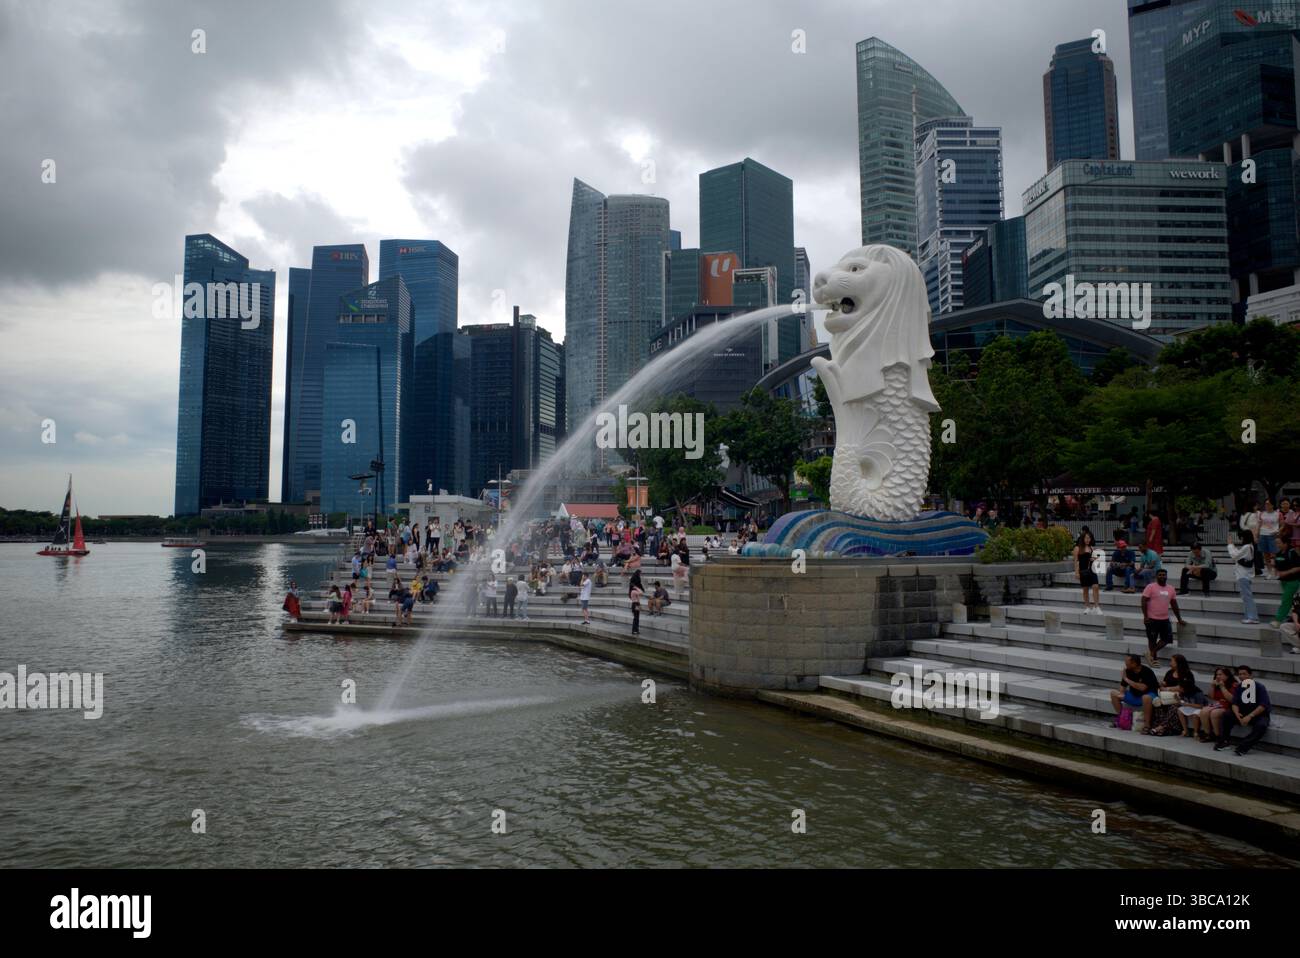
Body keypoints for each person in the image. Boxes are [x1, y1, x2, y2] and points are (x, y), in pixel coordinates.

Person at [1215, 665, 1271, 756]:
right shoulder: (1239, 687)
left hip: (1258, 714)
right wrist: (1237, 715)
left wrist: (1249, 716)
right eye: (1240, 674)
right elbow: (1234, 703)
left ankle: (1243, 747)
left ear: (1251, 675)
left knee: (1262, 725)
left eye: (1244, 674)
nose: (1242, 676)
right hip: (1243, 713)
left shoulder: (1259, 687)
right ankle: (1224, 741)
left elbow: (1263, 706)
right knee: (1226, 715)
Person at [1151, 654, 1204, 737]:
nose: (1170, 663)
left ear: (1178, 663)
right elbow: (1165, 682)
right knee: (1157, 703)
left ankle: (1162, 726)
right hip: (1168, 696)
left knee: (1175, 706)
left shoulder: (1186, 674)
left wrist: (1168, 689)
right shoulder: (1170, 672)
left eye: (1172, 661)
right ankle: (1163, 727)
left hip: (1184, 697)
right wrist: (1161, 684)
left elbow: (1182, 688)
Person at [1141, 569, 1184, 665]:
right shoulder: (1150, 587)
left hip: (1165, 619)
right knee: (1152, 640)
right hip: (1152, 619)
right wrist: (1145, 616)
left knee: (1167, 639)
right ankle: (1154, 660)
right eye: (1160, 575)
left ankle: (1150, 654)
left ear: (1166, 576)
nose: (1162, 576)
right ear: (1156, 576)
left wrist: (1179, 618)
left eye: (1164, 575)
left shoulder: (1171, 588)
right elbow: (1143, 601)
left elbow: (1174, 605)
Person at [1109, 654, 1160, 732]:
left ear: (1134, 663)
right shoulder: (1128, 670)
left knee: (1145, 697)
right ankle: (1121, 719)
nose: (1125, 663)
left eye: (1127, 662)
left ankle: (1147, 725)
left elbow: (1142, 688)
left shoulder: (1147, 671)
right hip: (1134, 695)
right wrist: (1121, 693)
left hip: (1149, 694)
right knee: (1113, 693)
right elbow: (1123, 686)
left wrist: (1126, 679)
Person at [1271, 523, 1300, 636]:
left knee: (1286, 600)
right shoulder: (1278, 553)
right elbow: (1278, 567)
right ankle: (1293, 617)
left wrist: (1285, 572)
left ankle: (1278, 620)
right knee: (1289, 600)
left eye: (1279, 543)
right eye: (1276, 543)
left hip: (1293, 581)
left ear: (1285, 543)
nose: (1277, 545)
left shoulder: (1292, 553)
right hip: (1284, 581)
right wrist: (1274, 566)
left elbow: (1298, 567)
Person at [1194, 667, 1237, 742]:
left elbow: (1231, 700)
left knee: (1214, 713)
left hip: (1230, 706)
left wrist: (1222, 687)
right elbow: (1211, 696)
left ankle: (1218, 736)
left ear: (1227, 676)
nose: (1218, 676)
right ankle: (1208, 734)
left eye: (1220, 674)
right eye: (1217, 674)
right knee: (1204, 711)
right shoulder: (1217, 684)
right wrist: (1212, 686)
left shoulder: (1234, 684)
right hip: (1219, 704)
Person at [1227, 531, 1260, 624]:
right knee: (1246, 596)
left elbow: (1234, 556)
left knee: (1247, 596)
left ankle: (1252, 617)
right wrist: (1232, 546)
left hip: (1243, 575)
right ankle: (1249, 615)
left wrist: (1230, 545)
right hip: (1245, 574)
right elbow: (1238, 554)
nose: (1240, 539)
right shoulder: (1249, 546)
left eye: (1241, 537)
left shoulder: (1246, 547)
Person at [1073, 530, 1101, 614]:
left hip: (1092, 570)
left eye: (1089, 538)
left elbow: (1091, 559)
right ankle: (1087, 607)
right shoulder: (1077, 548)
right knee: (1085, 589)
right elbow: (1076, 561)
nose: (1088, 540)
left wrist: (1094, 559)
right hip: (1083, 570)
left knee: (1095, 586)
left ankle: (1096, 606)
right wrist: (1077, 572)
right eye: (1086, 538)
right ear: (1082, 538)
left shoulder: (1091, 548)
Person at [1258, 500, 1280, 578]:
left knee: (1274, 555)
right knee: (1266, 555)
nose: (1266, 505)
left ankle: (1276, 572)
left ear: (1272, 505)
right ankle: (1269, 572)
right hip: (1263, 534)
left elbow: (1283, 524)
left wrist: (1278, 531)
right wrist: (1257, 535)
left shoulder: (1277, 514)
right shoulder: (1262, 513)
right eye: (1266, 504)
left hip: (1272, 536)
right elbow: (1259, 525)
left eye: (1268, 504)